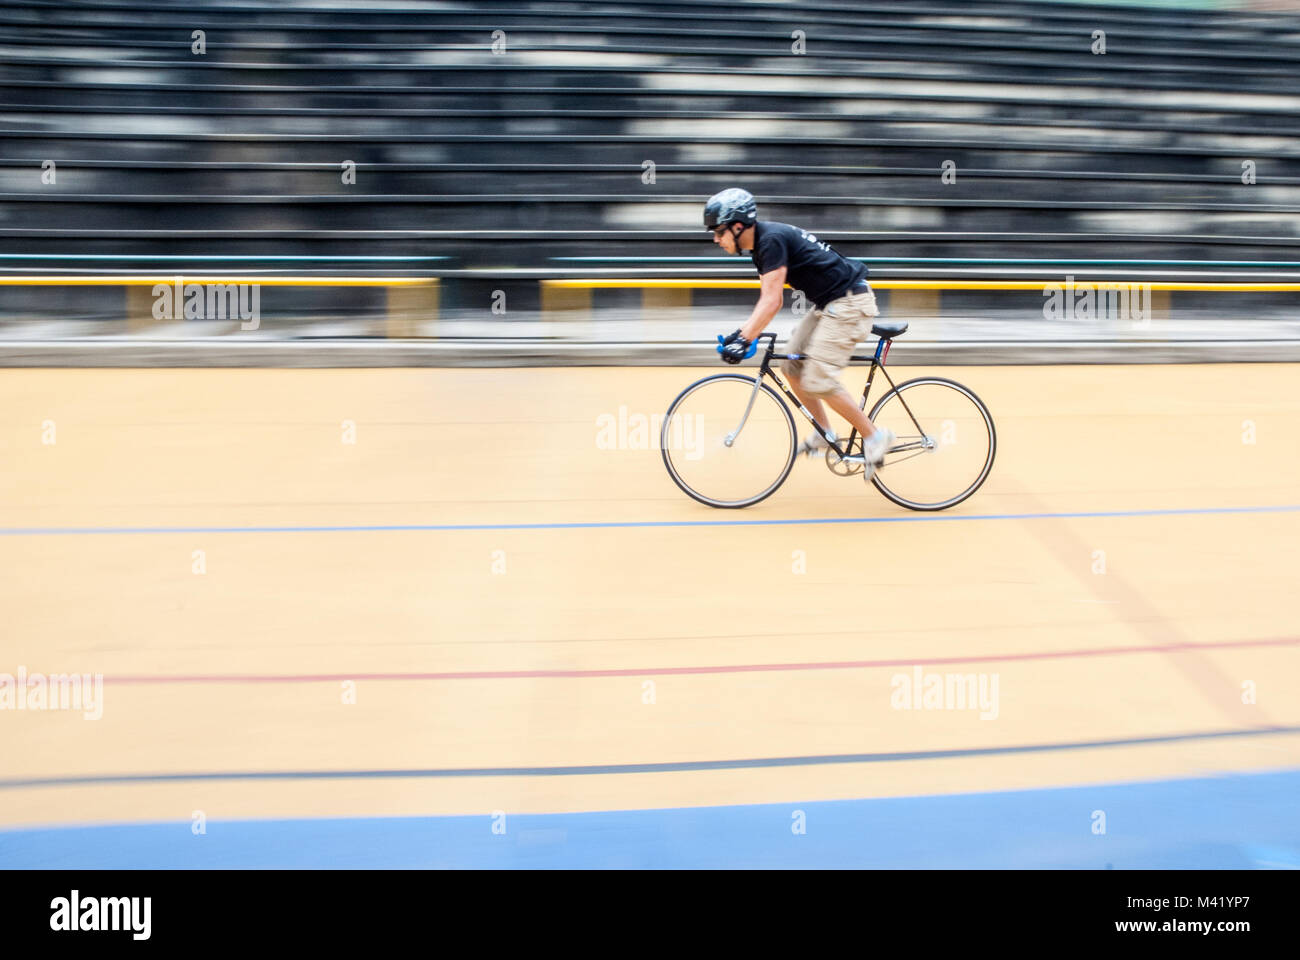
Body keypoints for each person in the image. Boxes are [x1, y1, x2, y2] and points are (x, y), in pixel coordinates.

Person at [704, 187, 895, 476]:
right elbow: (765, 300)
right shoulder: (761, 246)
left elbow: (772, 301)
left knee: (819, 379)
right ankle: (825, 434)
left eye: (718, 231)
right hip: (830, 303)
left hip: (849, 303)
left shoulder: (771, 241)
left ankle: (875, 437)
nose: (716, 239)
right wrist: (740, 334)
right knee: (792, 366)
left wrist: (746, 339)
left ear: (738, 225)